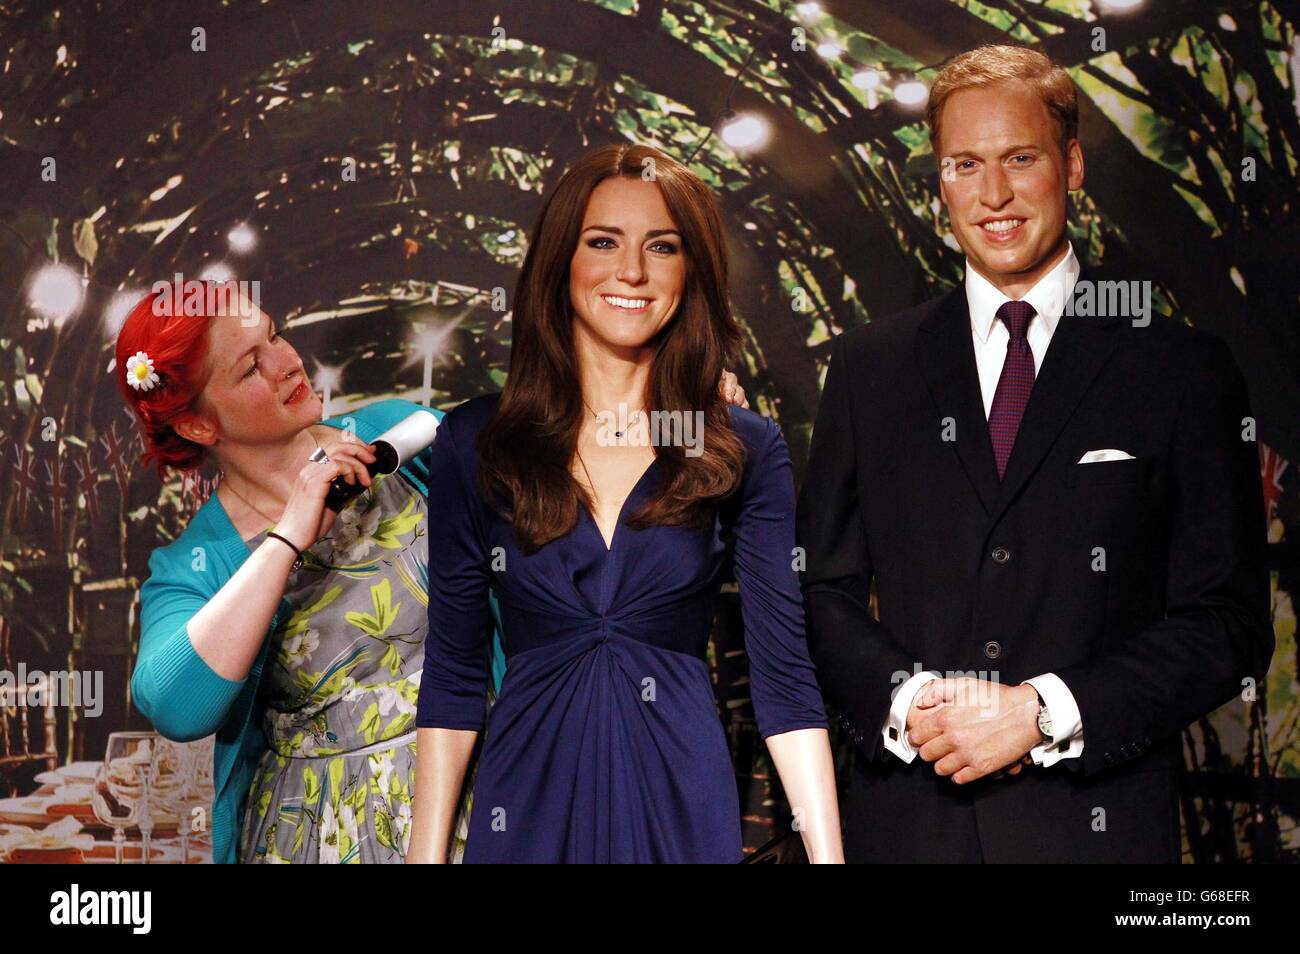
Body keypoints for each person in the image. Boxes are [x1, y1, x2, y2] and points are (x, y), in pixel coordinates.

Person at [797, 44, 1273, 863]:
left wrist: (1046, 711)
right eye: (964, 165)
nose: (993, 195)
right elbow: (820, 588)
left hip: (1099, 834)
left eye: (1020, 158)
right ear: (940, 180)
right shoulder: (868, 369)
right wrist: (911, 704)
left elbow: (1227, 623)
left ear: (1074, 165)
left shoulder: (1181, 370)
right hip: (910, 829)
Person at [409, 143, 843, 863]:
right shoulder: (475, 442)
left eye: (662, 247)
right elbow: (453, 679)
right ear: (560, 261)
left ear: (692, 271)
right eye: (603, 242)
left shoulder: (744, 449)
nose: (632, 272)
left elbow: (784, 678)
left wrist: (829, 860)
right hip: (524, 804)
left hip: (682, 795)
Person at [119, 286, 505, 863]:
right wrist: (288, 537)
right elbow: (176, 706)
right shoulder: (199, 563)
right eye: (251, 366)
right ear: (199, 425)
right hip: (319, 834)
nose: (287, 363)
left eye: (273, 335)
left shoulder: (399, 438)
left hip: (484, 782)